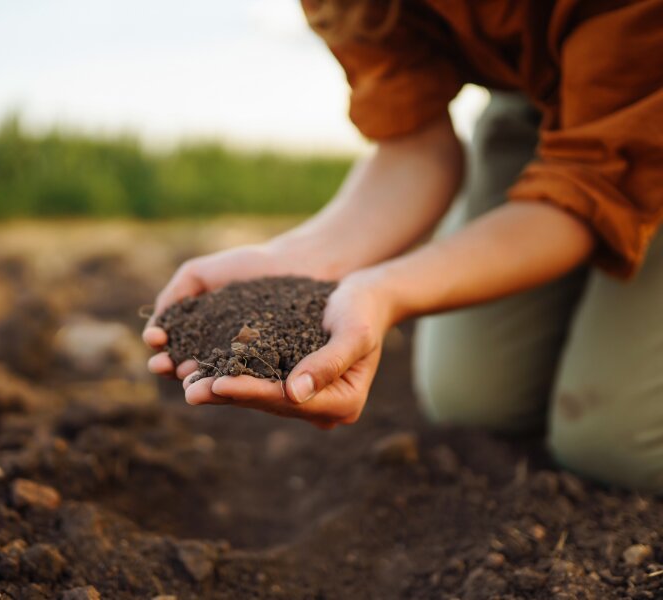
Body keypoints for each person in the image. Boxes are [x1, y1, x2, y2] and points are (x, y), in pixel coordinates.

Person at [144, 0, 663, 491]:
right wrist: (299, 261)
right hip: (540, 96)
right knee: (474, 400)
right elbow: (415, 147)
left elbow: (589, 187)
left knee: (616, 446)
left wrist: (387, 291)